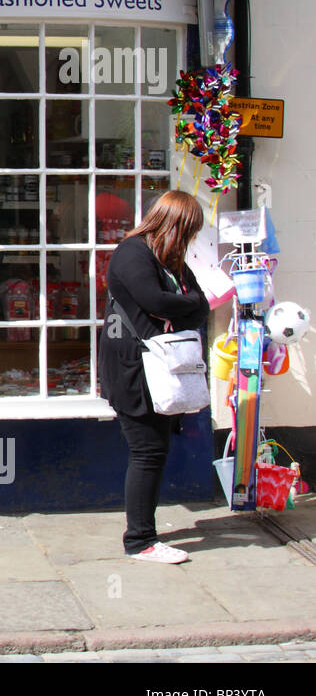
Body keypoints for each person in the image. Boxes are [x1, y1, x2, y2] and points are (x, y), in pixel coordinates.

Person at [98, 190, 209, 565]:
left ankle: (143, 531)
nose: (190, 240)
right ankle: (140, 541)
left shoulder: (169, 260)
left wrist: (189, 305)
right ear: (173, 225)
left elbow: (202, 306)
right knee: (147, 452)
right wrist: (187, 305)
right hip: (132, 369)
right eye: (189, 230)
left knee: (153, 451)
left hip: (155, 368)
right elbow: (158, 302)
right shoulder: (133, 252)